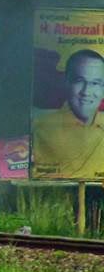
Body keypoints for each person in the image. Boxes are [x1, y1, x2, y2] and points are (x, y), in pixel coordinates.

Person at [32, 49, 104, 179]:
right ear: (66, 82)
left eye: (95, 83)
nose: (86, 91)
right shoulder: (41, 128)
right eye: (79, 80)